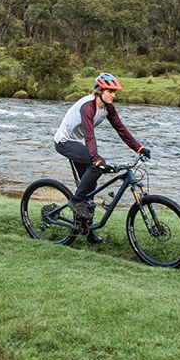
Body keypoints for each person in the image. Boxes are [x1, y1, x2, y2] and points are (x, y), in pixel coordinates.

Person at [52, 72, 150, 241]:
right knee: (96, 166)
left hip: (80, 142)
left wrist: (138, 148)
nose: (113, 95)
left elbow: (121, 129)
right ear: (99, 91)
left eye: (115, 92)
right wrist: (96, 159)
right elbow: (89, 135)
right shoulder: (88, 107)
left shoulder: (107, 108)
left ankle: (86, 230)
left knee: (91, 186)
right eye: (110, 91)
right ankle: (76, 201)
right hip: (65, 142)